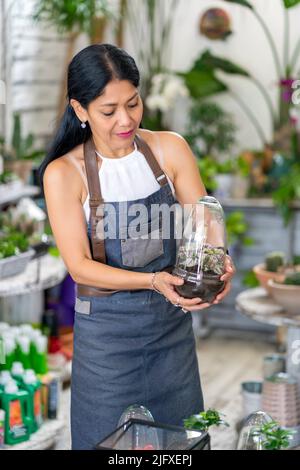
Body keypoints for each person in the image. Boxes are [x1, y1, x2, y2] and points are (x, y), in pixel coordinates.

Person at [40, 43, 235, 450]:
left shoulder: (169, 149)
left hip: (170, 336)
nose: (125, 120)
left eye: (133, 103)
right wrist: (153, 281)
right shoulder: (64, 174)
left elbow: (205, 223)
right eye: (108, 111)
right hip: (106, 345)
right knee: (109, 446)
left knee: (181, 445)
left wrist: (218, 263)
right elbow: (79, 267)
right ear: (80, 110)